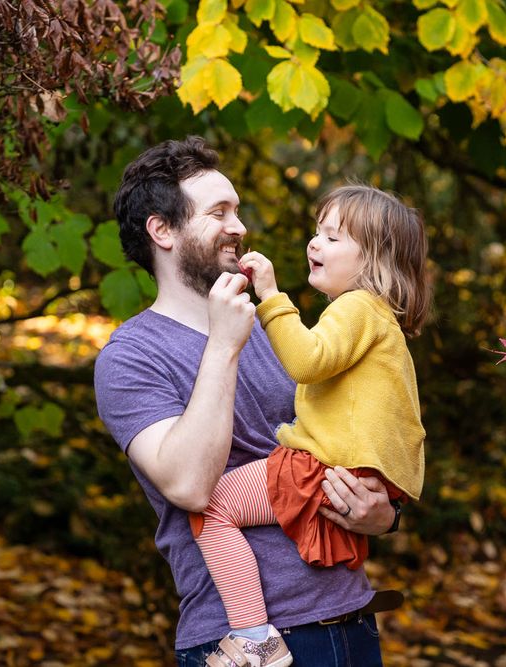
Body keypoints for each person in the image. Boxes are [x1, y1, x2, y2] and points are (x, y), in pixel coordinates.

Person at [94, 137, 399, 666]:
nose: (238, 226)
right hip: (247, 645)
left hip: (350, 619)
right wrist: (222, 345)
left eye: (237, 210)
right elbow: (190, 486)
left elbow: (347, 435)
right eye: (219, 212)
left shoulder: (274, 328)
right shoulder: (130, 357)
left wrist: (384, 513)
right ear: (161, 230)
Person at [191, 185, 429, 666]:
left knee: (209, 506)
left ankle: (255, 637)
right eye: (316, 232)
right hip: (345, 471)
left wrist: (271, 296)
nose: (314, 243)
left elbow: (305, 360)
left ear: (373, 260)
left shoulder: (357, 307)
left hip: (321, 467)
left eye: (333, 236)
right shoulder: (376, 317)